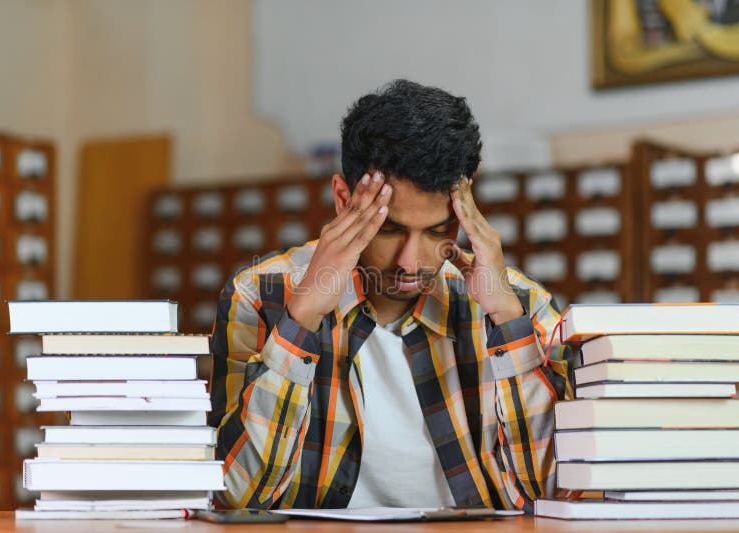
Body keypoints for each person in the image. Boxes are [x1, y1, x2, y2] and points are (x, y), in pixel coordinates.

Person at [209, 79, 572, 513]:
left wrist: (508, 322)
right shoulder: (259, 295)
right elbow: (236, 496)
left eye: (439, 231)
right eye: (389, 229)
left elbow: (553, 495)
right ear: (344, 200)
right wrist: (301, 317)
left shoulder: (520, 304)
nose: (410, 261)